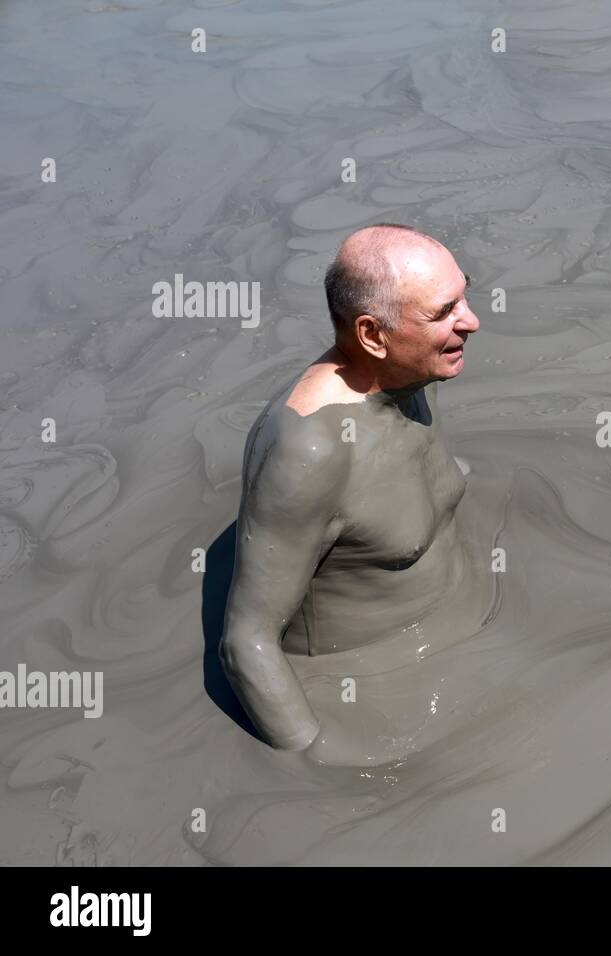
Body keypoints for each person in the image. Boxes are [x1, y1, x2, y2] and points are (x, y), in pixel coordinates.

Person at [219, 223, 484, 752]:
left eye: (465, 295)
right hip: (377, 690)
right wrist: (319, 767)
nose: (471, 321)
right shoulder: (308, 454)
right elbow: (246, 643)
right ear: (372, 335)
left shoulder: (413, 379)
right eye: (443, 312)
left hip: (465, 639)